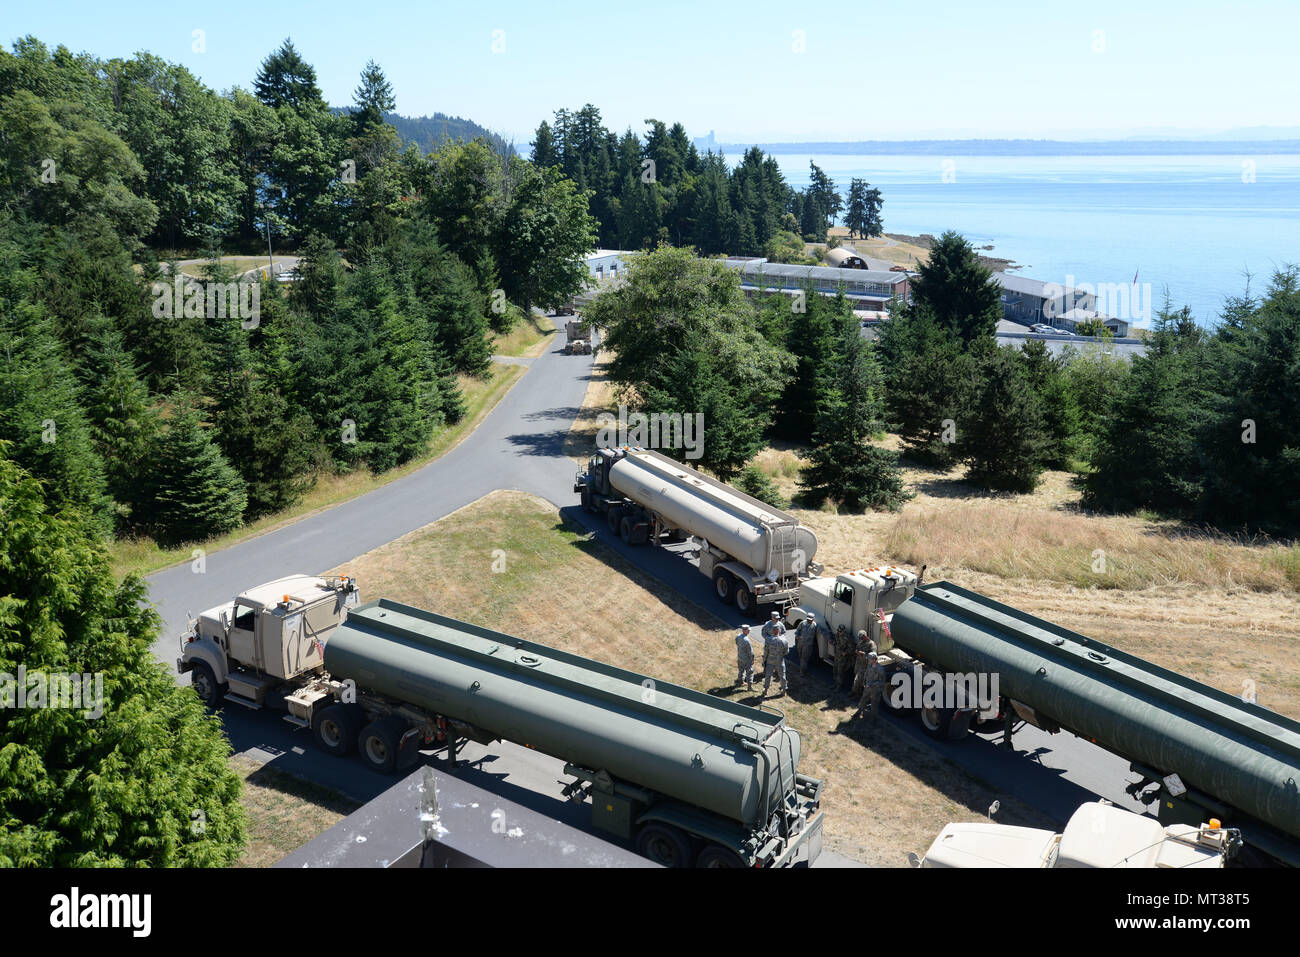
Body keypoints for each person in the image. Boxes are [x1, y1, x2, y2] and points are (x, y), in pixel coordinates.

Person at [853, 653, 887, 721]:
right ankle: (859, 712)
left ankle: (873, 718)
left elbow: (882, 682)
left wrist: (872, 684)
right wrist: (864, 681)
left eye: (869, 659)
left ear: (874, 659)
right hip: (868, 687)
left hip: (875, 690)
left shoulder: (880, 669)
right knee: (863, 699)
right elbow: (866, 673)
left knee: (874, 704)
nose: (868, 660)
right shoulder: (870, 665)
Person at [761, 623, 792, 697]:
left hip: (770, 661)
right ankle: (784, 690)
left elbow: (766, 652)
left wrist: (764, 661)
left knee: (768, 676)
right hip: (780, 661)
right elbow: (786, 652)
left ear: (772, 631)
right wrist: (780, 655)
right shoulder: (784, 640)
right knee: (782, 676)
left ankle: (765, 690)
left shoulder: (768, 640)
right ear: (779, 631)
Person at [851, 629, 878, 697]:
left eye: (862, 638)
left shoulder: (871, 644)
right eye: (860, 638)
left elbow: (874, 656)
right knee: (858, 680)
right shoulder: (860, 643)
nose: (861, 639)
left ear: (865, 636)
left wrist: (863, 654)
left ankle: (856, 694)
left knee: (859, 681)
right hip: (859, 664)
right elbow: (857, 650)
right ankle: (857, 693)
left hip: (866, 666)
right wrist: (857, 652)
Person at [832, 624, 854, 691]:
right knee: (835, 670)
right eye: (838, 631)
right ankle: (835, 683)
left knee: (840, 672)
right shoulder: (837, 635)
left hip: (842, 657)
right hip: (837, 655)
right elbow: (836, 642)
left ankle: (839, 686)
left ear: (844, 631)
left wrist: (845, 653)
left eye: (841, 631)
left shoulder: (848, 638)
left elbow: (852, 648)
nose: (839, 632)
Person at [735, 625, 754, 692]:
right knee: (750, 672)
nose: (749, 631)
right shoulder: (747, 640)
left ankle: (741, 681)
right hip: (747, 659)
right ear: (744, 630)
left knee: (741, 670)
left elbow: (736, 643)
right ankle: (750, 687)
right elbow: (751, 653)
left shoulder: (738, 636)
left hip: (740, 657)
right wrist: (752, 660)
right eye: (748, 630)